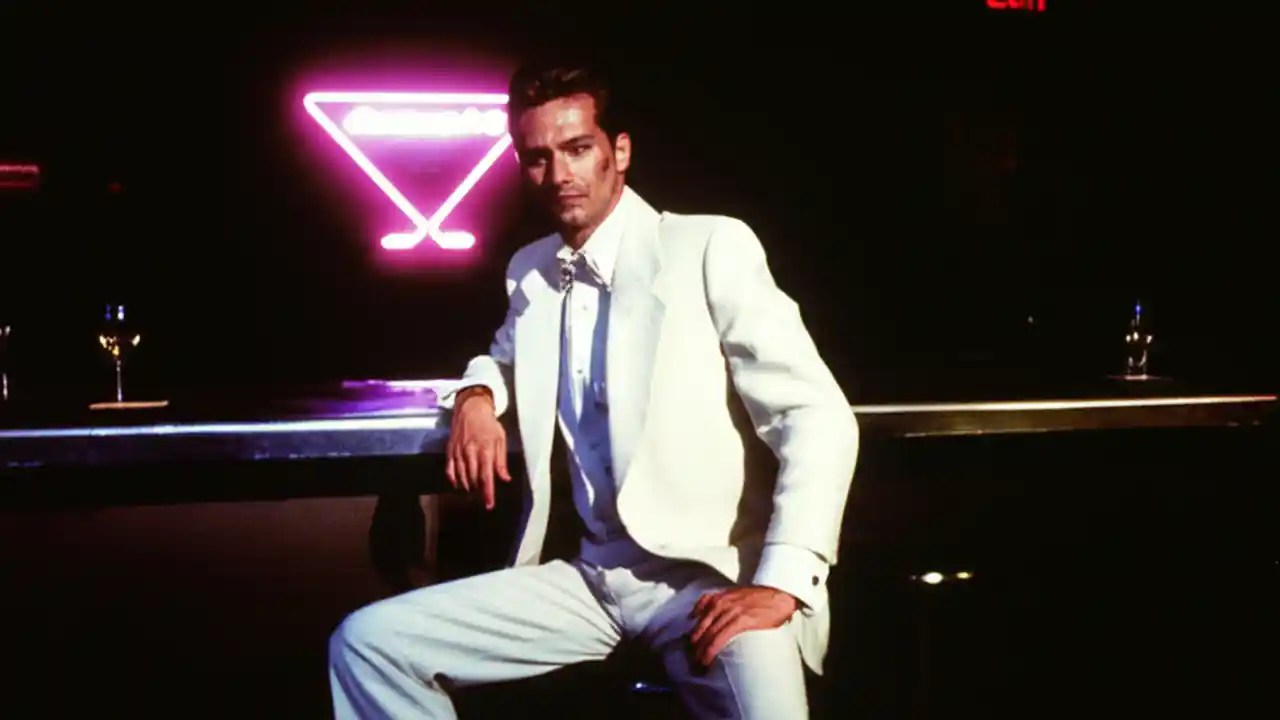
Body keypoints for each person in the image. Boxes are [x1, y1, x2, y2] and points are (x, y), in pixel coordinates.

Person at [329, 55, 860, 719]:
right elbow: (502, 359)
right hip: (590, 579)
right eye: (537, 157)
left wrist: (783, 584)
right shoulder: (533, 271)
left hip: (708, 580)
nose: (558, 176)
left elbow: (816, 415)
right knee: (370, 644)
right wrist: (475, 398)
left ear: (620, 150)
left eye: (577, 149)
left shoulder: (708, 247)